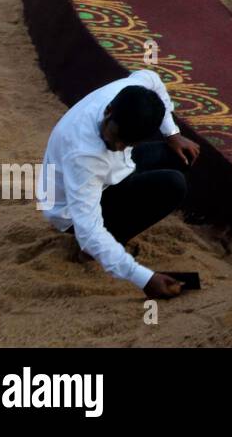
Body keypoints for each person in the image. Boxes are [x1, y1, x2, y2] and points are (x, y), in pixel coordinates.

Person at [40, 69, 201, 298]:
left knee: (180, 155)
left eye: (125, 142)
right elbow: (88, 229)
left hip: (112, 172)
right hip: (69, 211)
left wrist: (172, 134)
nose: (115, 145)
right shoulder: (85, 157)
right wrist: (144, 278)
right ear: (108, 111)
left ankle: (115, 223)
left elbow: (151, 78)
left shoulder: (126, 95)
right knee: (174, 185)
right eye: (114, 136)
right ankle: (92, 252)